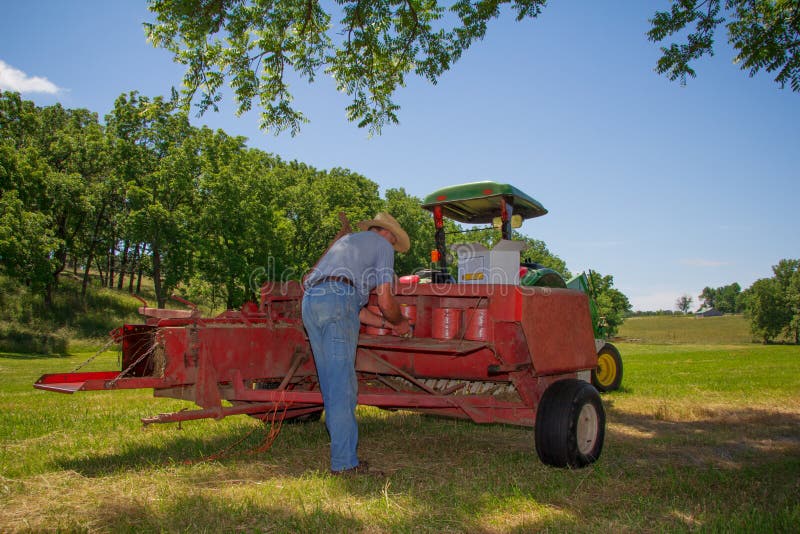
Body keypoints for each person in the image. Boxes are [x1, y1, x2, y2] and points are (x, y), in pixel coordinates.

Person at [301, 212, 411, 475]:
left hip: (312, 303)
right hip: (337, 302)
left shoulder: (347, 242)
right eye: (394, 241)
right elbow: (385, 302)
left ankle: (342, 452)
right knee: (343, 386)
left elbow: (352, 307)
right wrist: (400, 322)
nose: (393, 247)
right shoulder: (382, 246)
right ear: (387, 233)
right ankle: (344, 463)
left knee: (330, 382)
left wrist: (384, 326)